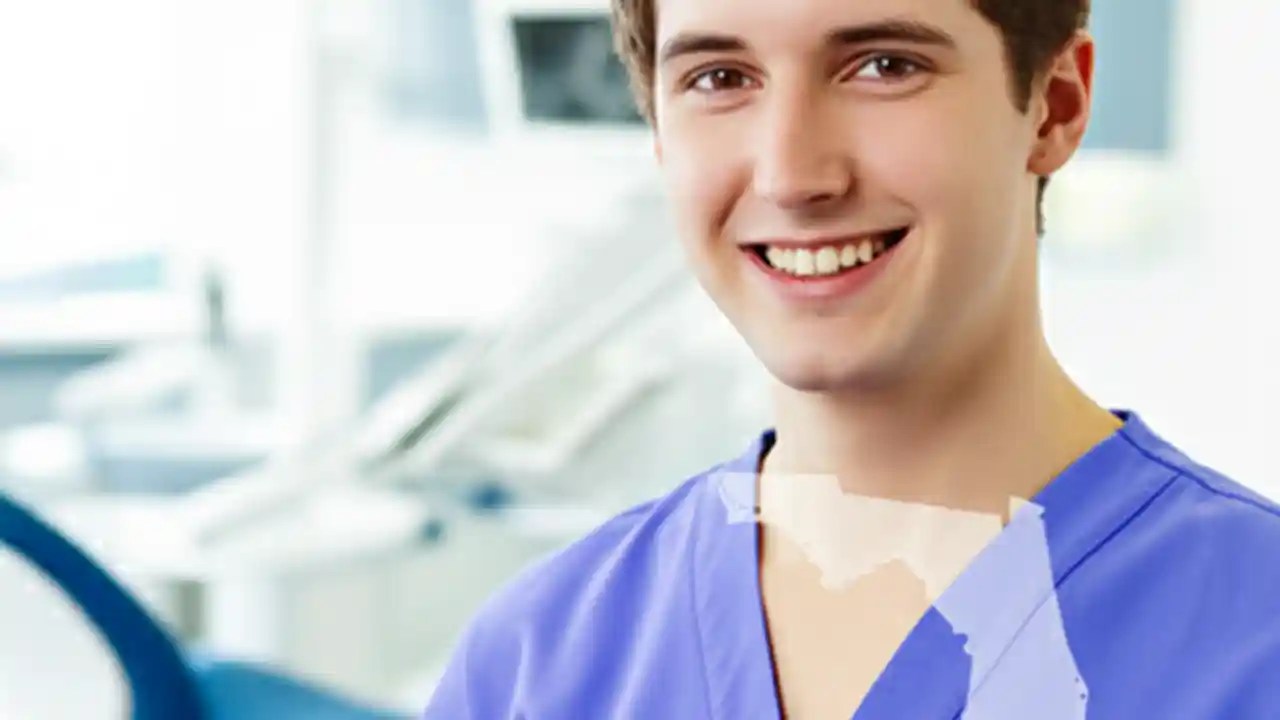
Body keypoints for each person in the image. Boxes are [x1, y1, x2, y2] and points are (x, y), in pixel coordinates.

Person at [423, 0, 1280, 717]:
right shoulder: (538, 665)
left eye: (884, 66)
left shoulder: (1251, 641)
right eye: (719, 79)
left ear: (1054, 107)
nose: (792, 174)